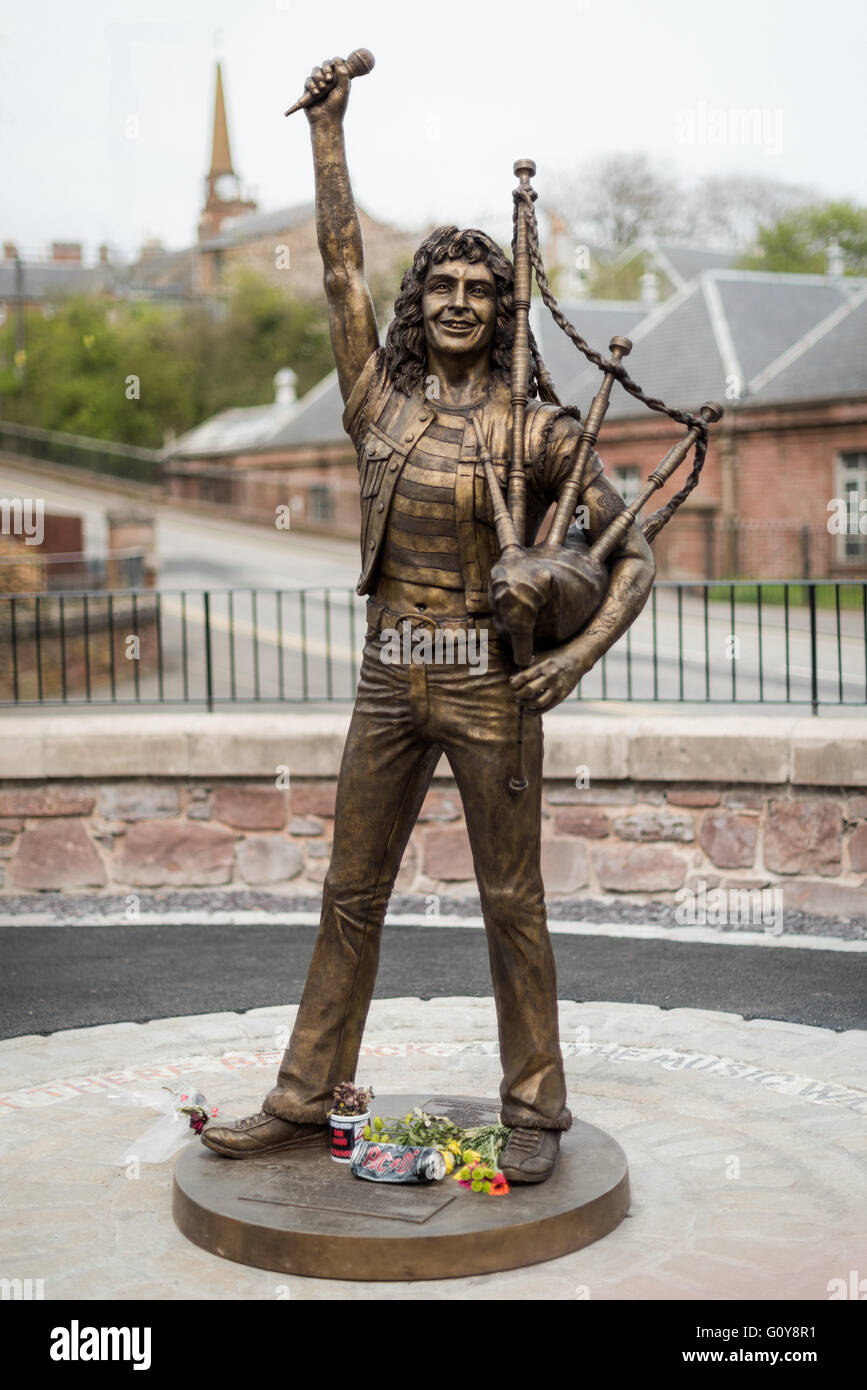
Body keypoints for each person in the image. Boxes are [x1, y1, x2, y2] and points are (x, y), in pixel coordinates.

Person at [202, 57, 655, 1183]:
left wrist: (571, 657)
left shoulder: (538, 431)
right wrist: (328, 137)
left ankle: (535, 1107)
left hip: (488, 683)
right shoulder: (378, 405)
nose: (458, 301)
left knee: (512, 899)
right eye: (441, 286)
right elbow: (340, 263)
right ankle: (305, 1098)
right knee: (348, 892)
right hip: (385, 675)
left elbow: (634, 555)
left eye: (479, 289)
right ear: (423, 302)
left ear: (504, 310)